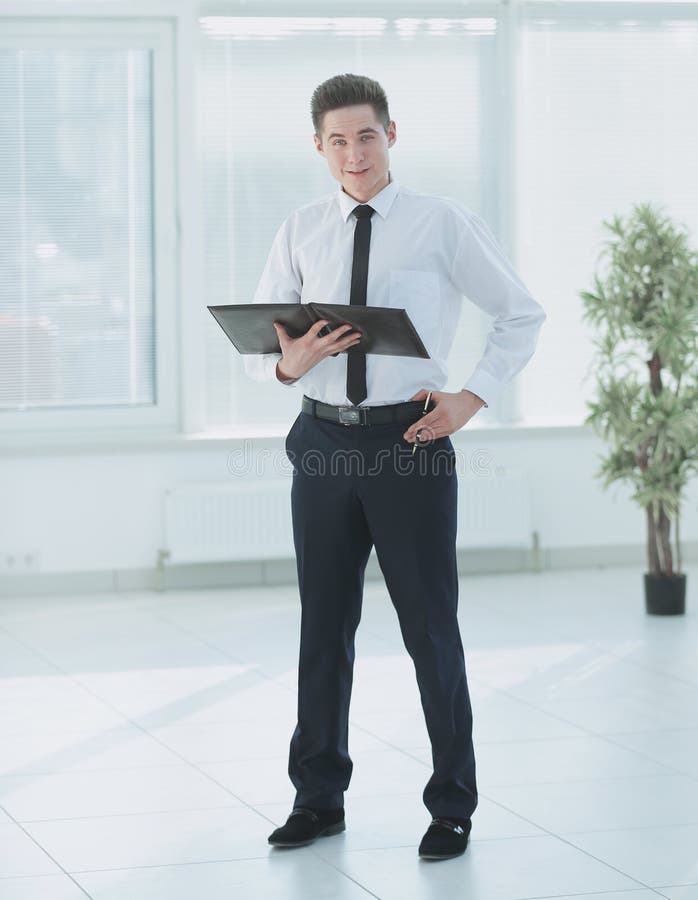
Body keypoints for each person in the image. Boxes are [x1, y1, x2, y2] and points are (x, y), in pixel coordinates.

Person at [242, 73, 546, 861]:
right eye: (337, 140)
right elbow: (259, 349)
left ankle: (451, 805)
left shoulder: (441, 224)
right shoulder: (301, 228)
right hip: (320, 443)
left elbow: (520, 313)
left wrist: (471, 397)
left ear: (391, 134)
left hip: (407, 445)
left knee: (428, 629)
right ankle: (317, 798)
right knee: (323, 628)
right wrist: (288, 364)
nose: (353, 153)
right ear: (318, 147)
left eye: (366, 136)